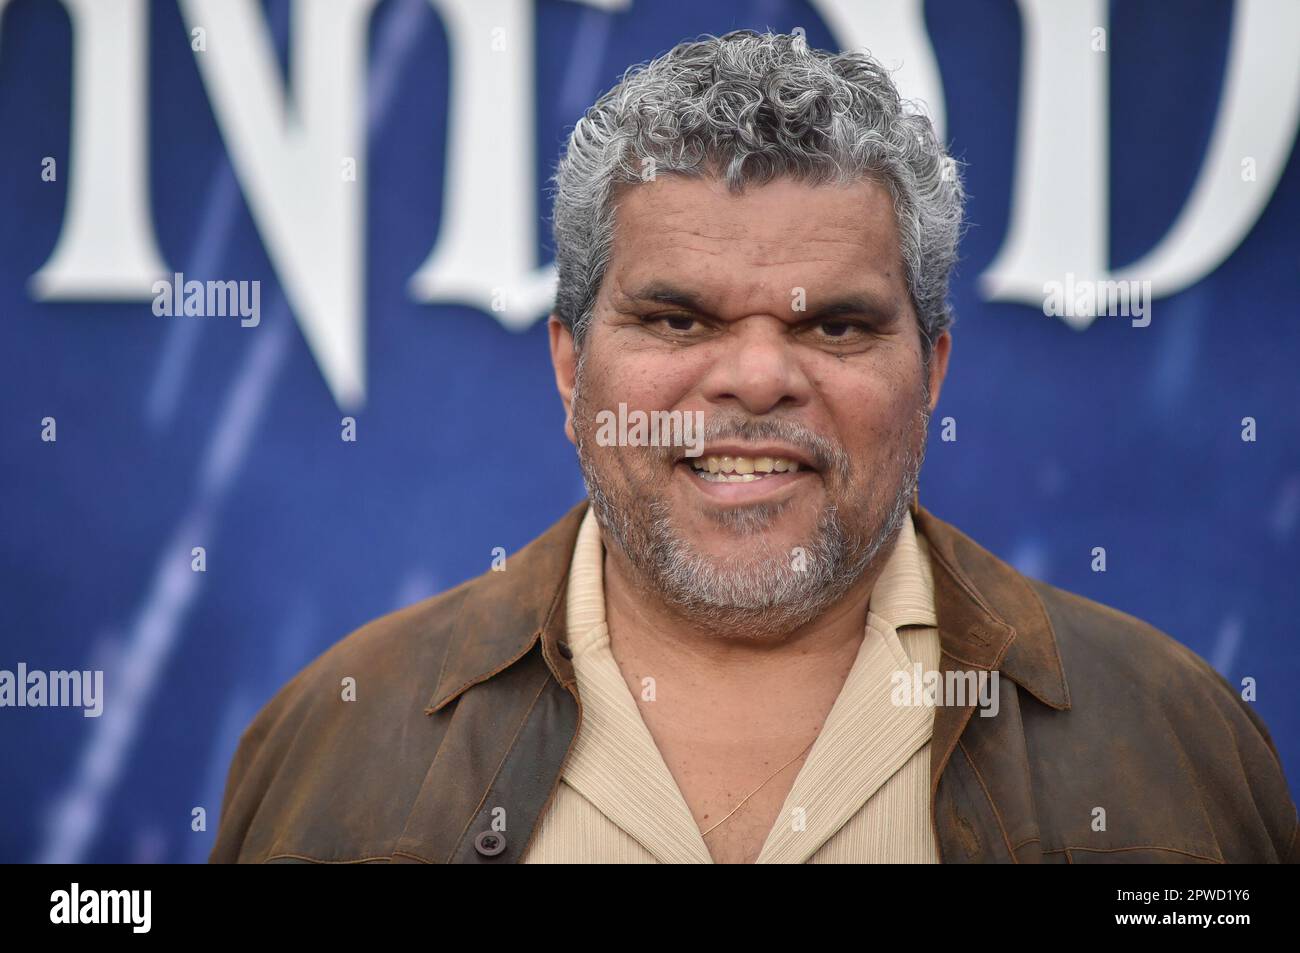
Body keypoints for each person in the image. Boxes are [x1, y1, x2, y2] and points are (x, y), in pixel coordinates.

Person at [210, 30, 1297, 864]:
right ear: (566, 366)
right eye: (678, 320)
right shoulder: (332, 745)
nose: (757, 377)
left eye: (834, 324)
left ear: (933, 374)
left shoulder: (1174, 742)